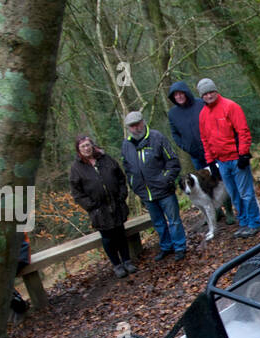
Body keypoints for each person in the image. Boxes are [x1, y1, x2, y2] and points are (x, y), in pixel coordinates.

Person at [197, 78, 260, 238]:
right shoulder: (203, 115)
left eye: (211, 91)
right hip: (221, 162)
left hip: (237, 158)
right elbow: (205, 140)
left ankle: (254, 223)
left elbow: (243, 131)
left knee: (245, 192)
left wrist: (243, 154)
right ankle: (243, 222)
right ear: (201, 96)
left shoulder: (231, 106)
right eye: (205, 94)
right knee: (233, 194)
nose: (209, 95)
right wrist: (211, 161)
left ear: (216, 91)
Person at [120, 112, 186, 261]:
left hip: (164, 190)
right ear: (128, 128)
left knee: (174, 220)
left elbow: (173, 161)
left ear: (143, 122)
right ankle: (166, 247)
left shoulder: (157, 138)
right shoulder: (126, 145)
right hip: (145, 193)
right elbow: (127, 168)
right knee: (158, 223)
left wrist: (166, 179)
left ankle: (180, 247)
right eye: (132, 126)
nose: (136, 128)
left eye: (138, 124)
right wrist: (134, 185)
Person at [70, 134, 133, 279]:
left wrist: (122, 195)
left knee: (120, 233)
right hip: (98, 210)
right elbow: (77, 193)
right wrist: (91, 206)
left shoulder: (106, 159)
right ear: (78, 149)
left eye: (88, 145)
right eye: (83, 146)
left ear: (92, 145)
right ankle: (117, 265)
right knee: (108, 238)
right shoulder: (76, 168)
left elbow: (120, 178)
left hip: (116, 204)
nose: (86, 148)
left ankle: (127, 261)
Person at [166, 80, 207, 169]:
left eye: (181, 94)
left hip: (212, 150)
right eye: (176, 95)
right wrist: (186, 147)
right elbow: (175, 134)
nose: (179, 97)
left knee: (222, 179)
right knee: (204, 182)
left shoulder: (201, 104)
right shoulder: (172, 114)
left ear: (186, 93)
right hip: (195, 156)